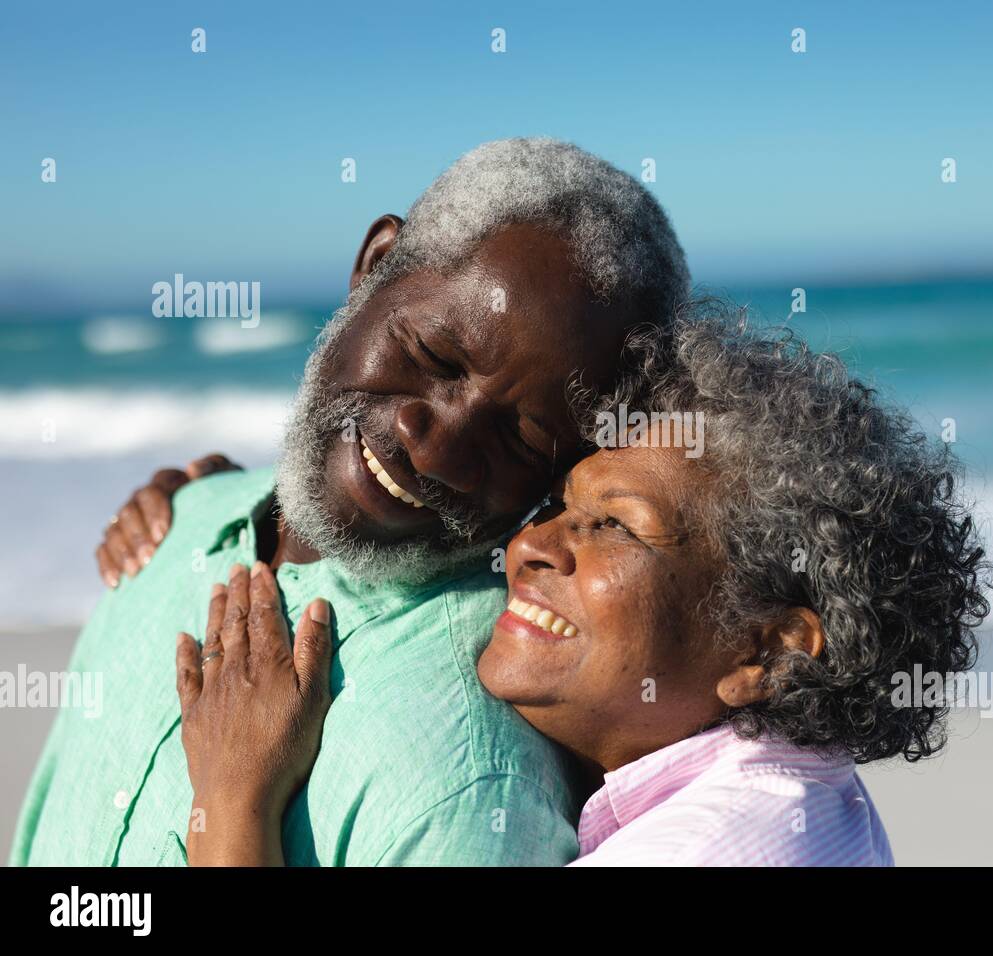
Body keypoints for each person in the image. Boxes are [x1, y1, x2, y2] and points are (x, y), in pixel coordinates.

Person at [10, 138, 690, 866]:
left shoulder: (462, 781)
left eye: (522, 441)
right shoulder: (175, 528)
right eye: (432, 355)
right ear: (374, 266)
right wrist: (196, 498)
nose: (435, 449)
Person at [167, 312, 993, 865]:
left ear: (768, 649)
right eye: (558, 508)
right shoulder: (786, 792)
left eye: (617, 526)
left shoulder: (712, 849)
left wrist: (234, 800)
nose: (530, 545)